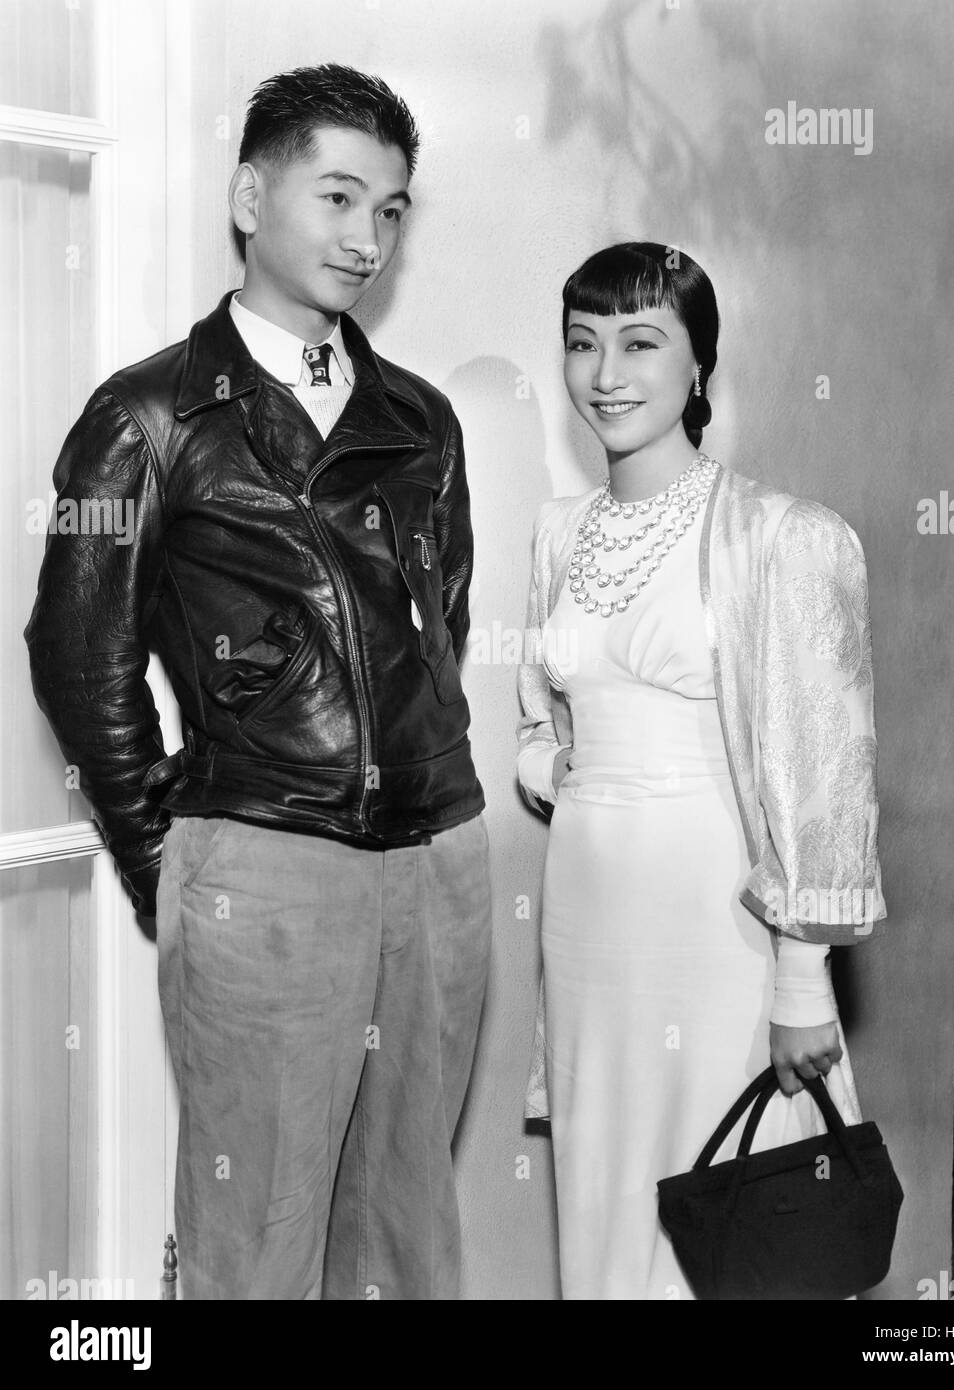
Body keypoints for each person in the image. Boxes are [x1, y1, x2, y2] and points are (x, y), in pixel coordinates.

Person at [25, 64, 492, 1301]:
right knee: (255, 1250)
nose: (367, 237)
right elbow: (79, 659)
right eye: (338, 196)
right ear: (248, 196)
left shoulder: (423, 418)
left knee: (405, 1241)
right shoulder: (144, 416)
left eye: (391, 210)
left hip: (439, 859)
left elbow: (438, 626)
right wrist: (168, 861)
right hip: (265, 868)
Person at [517, 242, 886, 1300]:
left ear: (699, 368)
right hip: (588, 913)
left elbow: (825, 772)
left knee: (732, 1199)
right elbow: (535, 720)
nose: (605, 374)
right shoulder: (558, 534)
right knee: (609, 1183)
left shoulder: (779, 536)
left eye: (640, 342)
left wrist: (802, 974)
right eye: (583, 344)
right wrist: (560, 766)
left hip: (718, 913)